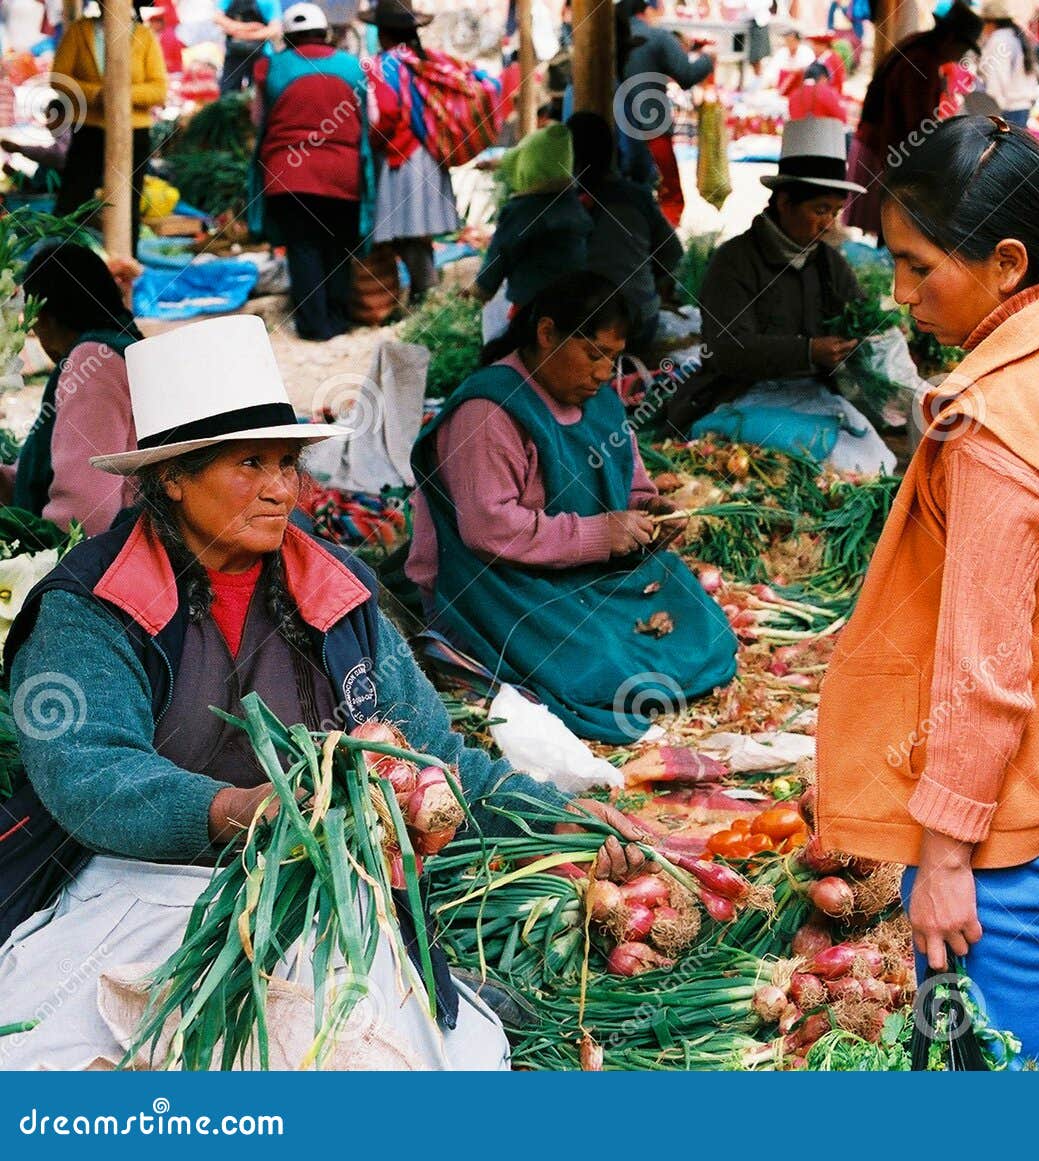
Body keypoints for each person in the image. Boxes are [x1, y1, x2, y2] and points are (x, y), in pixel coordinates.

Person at [0, 314, 645, 1069]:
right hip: (134, 893)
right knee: (78, 1061)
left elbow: (432, 757)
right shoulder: (94, 604)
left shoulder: (334, 590)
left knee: (368, 1062)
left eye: (288, 462)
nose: (282, 489)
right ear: (171, 475)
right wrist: (230, 808)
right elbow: (89, 772)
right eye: (250, 464)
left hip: (309, 893)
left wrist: (554, 816)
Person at [815, 115, 1039, 1070]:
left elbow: (985, 672)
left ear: (1008, 262)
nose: (899, 295)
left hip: (1015, 849)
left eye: (919, 267)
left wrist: (943, 857)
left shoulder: (998, 421)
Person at [408, 271, 737, 744]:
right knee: (599, 662)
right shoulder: (489, 411)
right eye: (594, 354)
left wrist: (650, 511)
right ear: (546, 334)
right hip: (502, 581)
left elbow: (631, 482)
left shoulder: (601, 401)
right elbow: (489, 530)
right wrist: (601, 534)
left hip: (585, 570)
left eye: (615, 358)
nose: (605, 373)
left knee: (700, 622)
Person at [664, 117, 866, 439]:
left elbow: (859, 314)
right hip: (735, 397)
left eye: (835, 212)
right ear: (784, 203)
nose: (829, 224)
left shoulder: (830, 264)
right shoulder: (734, 261)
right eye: (820, 210)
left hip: (811, 398)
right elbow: (727, 350)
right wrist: (807, 351)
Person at [249, 2, 374, 342]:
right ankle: (338, 320)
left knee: (303, 247)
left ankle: (314, 326)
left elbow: (257, 119)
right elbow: (371, 121)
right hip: (342, 173)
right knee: (338, 247)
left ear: (287, 38)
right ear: (326, 34)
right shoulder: (354, 67)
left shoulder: (269, 68)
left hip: (288, 175)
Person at [0, 241, 142, 535]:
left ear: (46, 317)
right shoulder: (122, 348)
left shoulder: (93, 360)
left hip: (96, 558)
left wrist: (43, 563)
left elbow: (85, 508)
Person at [844, 1, 983, 240]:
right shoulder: (922, 61)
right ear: (951, 39)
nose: (961, 56)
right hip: (882, 151)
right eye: (963, 48)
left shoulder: (918, 47)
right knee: (890, 229)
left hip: (879, 145)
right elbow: (916, 123)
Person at [363, 0, 457, 305]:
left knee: (406, 230)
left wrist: (372, 140)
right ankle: (424, 290)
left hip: (402, 154)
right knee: (418, 229)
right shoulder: (423, 59)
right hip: (430, 150)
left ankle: (425, 293)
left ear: (383, 33)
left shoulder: (383, 64)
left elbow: (387, 112)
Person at [50, 5, 167, 241]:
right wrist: (97, 94)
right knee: (74, 198)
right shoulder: (79, 30)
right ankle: (62, 259)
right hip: (89, 129)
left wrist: (119, 94)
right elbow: (59, 78)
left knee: (128, 203)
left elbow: (159, 89)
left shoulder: (144, 35)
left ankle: (125, 264)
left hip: (135, 131)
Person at [569, 111, 683, 350]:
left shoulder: (563, 203)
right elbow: (672, 253)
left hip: (587, 328)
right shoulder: (637, 197)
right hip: (640, 321)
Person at [475, 122, 592, 335]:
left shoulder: (521, 210)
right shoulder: (573, 203)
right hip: (576, 302)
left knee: (520, 346)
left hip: (531, 305)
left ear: (527, 169)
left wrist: (482, 289)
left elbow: (500, 253)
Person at [615, 0, 714, 227]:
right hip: (650, 129)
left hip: (609, 130)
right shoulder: (658, 37)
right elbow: (687, 75)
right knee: (668, 198)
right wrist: (708, 58)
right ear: (647, 10)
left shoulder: (605, 37)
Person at [977, 0, 1038, 128]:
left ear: (991, 22)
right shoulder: (1013, 36)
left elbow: (996, 79)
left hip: (1007, 109)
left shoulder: (999, 40)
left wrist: (992, 112)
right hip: (1020, 106)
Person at [215, 0, 281, 92]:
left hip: (261, 55)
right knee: (227, 93)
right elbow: (217, 17)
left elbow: (274, 29)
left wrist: (244, 35)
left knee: (259, 92)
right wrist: (249, 27)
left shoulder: (268, 2)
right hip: (234, 54)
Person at [770, 25, 814, 90]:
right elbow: (773, 70)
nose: (789, 43)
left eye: (792, 40)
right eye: (787, 40)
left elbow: (810, 70)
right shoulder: (781, 52)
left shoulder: (806, 51)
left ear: (798, 41)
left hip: (801, 86)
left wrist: (795, 72)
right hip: (783, 86)